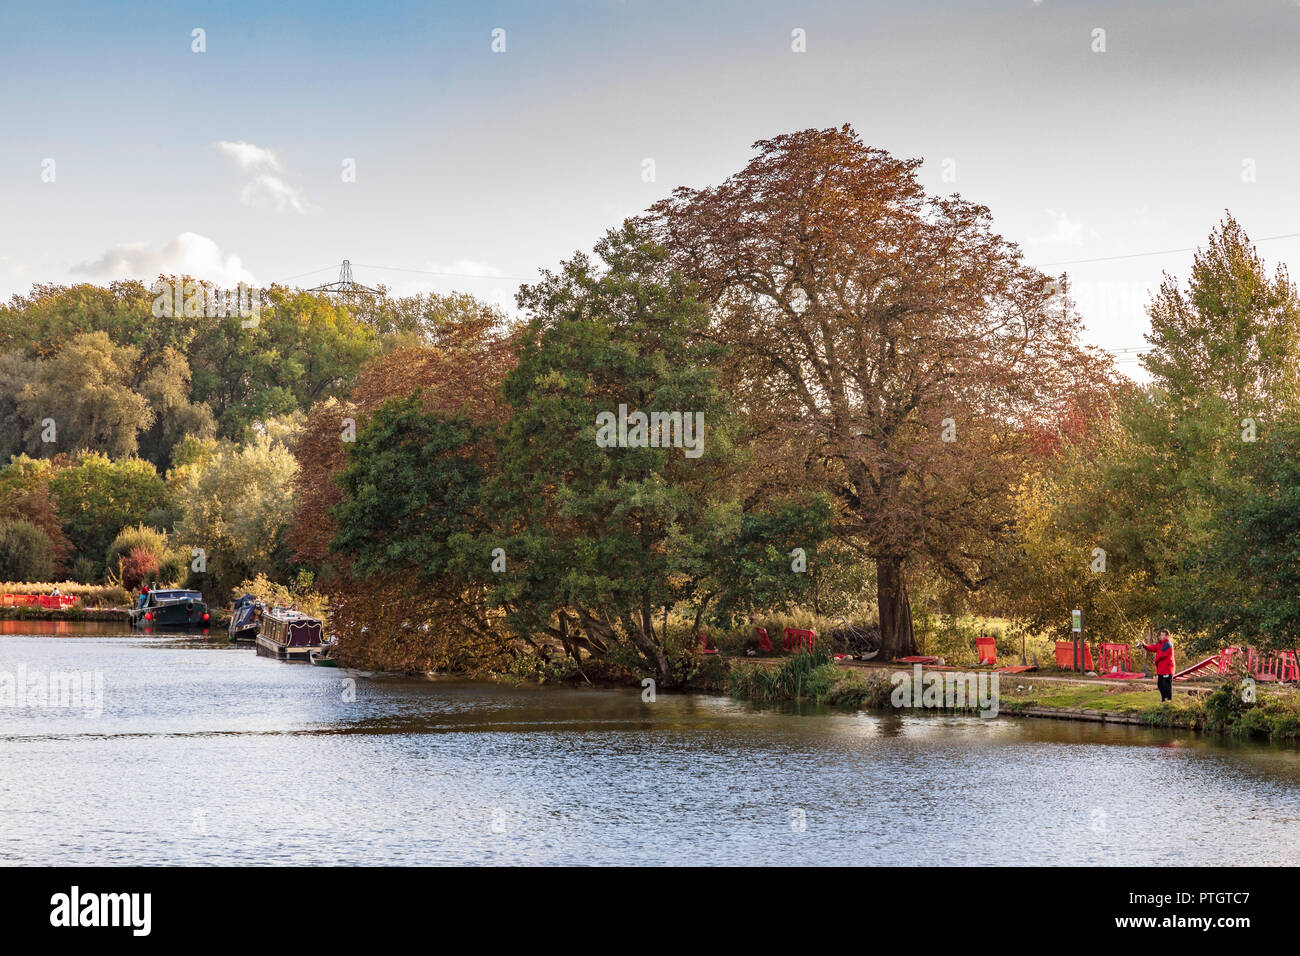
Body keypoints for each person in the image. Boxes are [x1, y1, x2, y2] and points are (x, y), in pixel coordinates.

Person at [1140, 627, 1176, 702]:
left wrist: (1155, 661)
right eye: (1161, 635)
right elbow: (1153, 648)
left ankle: (1168, 700)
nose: (1161, 637)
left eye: (1163, 635)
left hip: (1167, 669)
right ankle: (1164, 700)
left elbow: (1161, 654)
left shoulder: (1168, 645)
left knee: (1167, 686)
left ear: (1167, 636)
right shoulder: (1160, 644)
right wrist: (1144, 645)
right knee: (1160, 685)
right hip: (1161, 669)